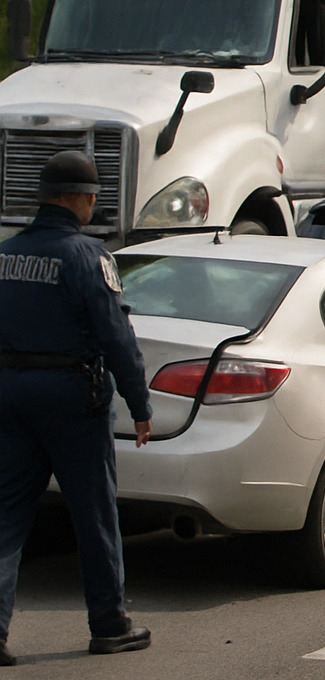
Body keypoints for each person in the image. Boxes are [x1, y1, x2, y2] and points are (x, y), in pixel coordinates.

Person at [0, 152, 153, 664]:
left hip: (10, 392)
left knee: (6, 515)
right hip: (72, 396)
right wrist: (139, 402)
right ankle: (109, 624)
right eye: (91, 199)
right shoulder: (88, 256)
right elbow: (116, 336)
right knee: (93, 513)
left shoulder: (4, 254)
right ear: (79, 199)